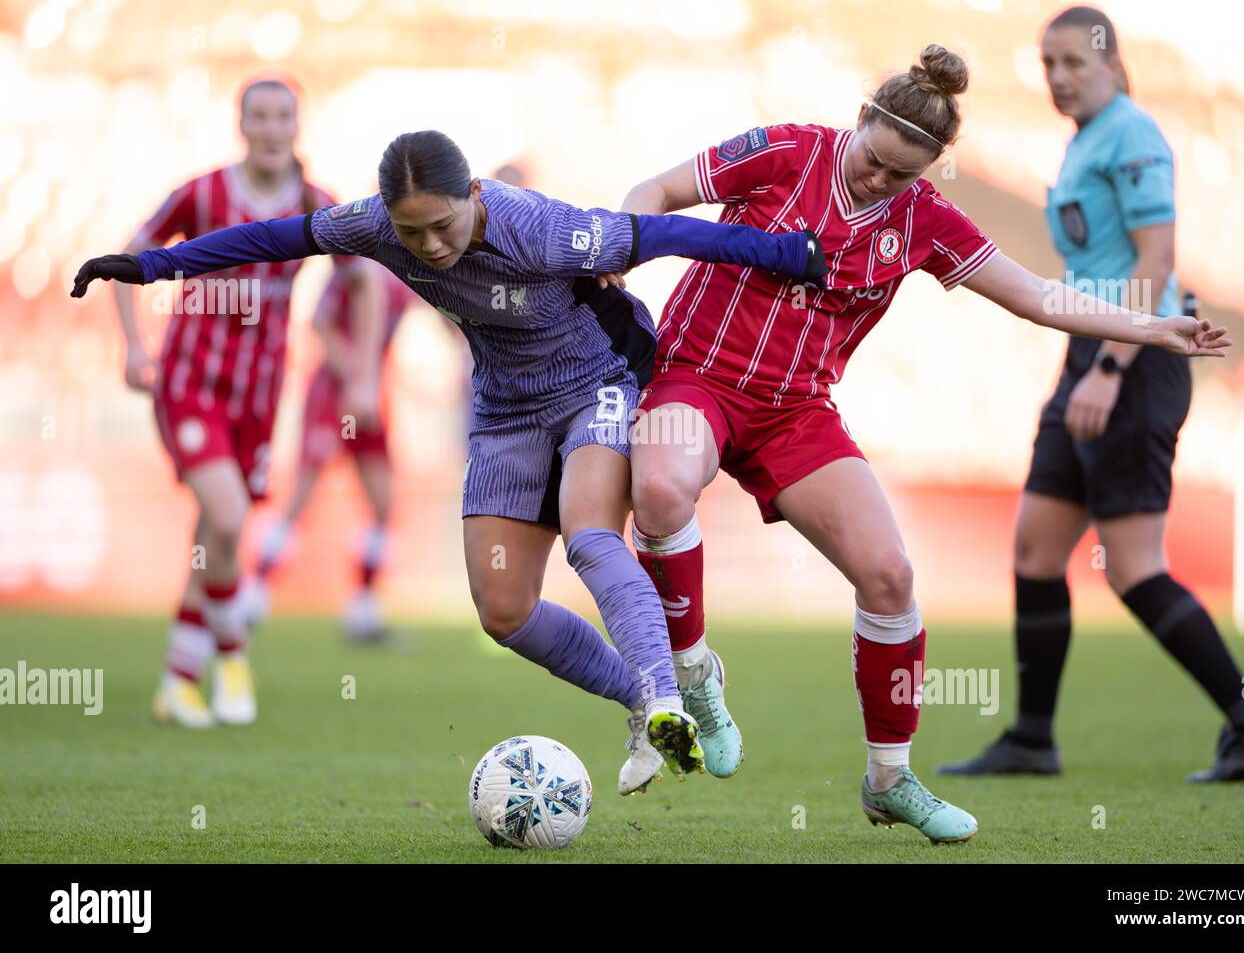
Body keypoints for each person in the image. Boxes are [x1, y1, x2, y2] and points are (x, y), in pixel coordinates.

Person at [73, 128, 828, 796]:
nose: (430, 247)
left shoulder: (545, 230)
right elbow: (271, 238)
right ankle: (640, 700)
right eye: (412, 233)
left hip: (598, 378)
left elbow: (665, 234)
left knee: (592, 537)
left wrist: (786, 253)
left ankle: (668, 698)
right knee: (503, 612)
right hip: (505, 408)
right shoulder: (371, 224)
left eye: (442, 225)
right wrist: (147, 269)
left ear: (472, 194)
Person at [612, 45, 1231, 842]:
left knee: (891, 576)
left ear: (928, 171)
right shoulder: (786, 149)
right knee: (661, 490)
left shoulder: (922, 220)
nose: (878, 181)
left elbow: (1038, 297)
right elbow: (658, 190)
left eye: (901, 175)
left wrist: (1154, 327)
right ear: (861, 120)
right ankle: (696, 675)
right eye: (873, 161)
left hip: (797, 410)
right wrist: (624, 247)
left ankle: (890, 779)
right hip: (697, 375)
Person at [937, 6, 1244, 783]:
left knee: (1132, 566)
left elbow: (1156, 258)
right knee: (1036, 545)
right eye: (1049, 65)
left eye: (1073, 62)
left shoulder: (1132, 134)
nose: (1059, 78)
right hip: (1092, 353)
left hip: (1133, 360)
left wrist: (1107, 366)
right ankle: (1033, 738)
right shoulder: (1083, 144)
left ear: (1111, 61)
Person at [113, 77, 384, 729]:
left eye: (282, 116)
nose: (270, 128)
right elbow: (127, 256)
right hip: (189, 383)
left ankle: (179, 680)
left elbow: (364, 281)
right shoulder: (202, 193)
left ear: (297, 124)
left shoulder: (318, 206)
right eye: (258, 116)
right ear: (241, 125)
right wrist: (133, 347)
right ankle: (233, 655)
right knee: (228, 517)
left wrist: (364, 373)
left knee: (216, 533)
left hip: (259, 398)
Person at [248, 260, 414, 642]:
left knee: (384, 504)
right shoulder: (355, 264)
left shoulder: (416, 267)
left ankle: (364, 608)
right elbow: (319, 322)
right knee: (302, 497)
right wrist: (357, 375)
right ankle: (251, 597)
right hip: (333, 392)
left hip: (371, 393)